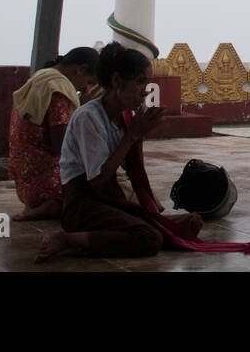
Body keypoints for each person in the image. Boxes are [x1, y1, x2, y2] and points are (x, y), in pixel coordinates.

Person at [37, 42, 201, 261]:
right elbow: (97, 180)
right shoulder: (89, 117)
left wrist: (138, 136)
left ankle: (139, 228)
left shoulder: (125, 118)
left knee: (187, 224)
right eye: (139, 82)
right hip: (83, 205)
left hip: (108, 200)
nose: (145, 91)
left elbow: (134, 171)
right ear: (116, 81)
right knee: (149, 239)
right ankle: (69, 240)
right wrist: (132, 135)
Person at [8, 47, 100, 221]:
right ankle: (50, 207)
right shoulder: (58, 90)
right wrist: (84, 110)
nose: (86, 87)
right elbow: (63, 146)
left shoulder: (41, 78)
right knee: (98, 188)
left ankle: (43, 205)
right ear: (80, 69)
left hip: (26, 183)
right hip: (48, 184)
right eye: (88, 81)